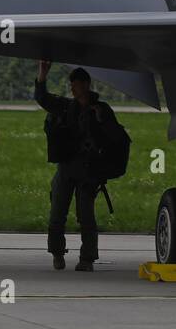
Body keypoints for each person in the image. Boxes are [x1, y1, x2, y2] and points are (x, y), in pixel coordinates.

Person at [35, 59, 116, 271]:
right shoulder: (65, 107)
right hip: (66, 167)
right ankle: (57, 253)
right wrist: (43, 73)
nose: (72, 88)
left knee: (86, 216)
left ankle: (87, 259)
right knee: (56, 215)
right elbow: (42, 98)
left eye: (76, 84)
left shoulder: (102, 110)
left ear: (86, 85)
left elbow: (114, 137)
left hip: (88, 170)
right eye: (71, 84)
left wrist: (101, 121)